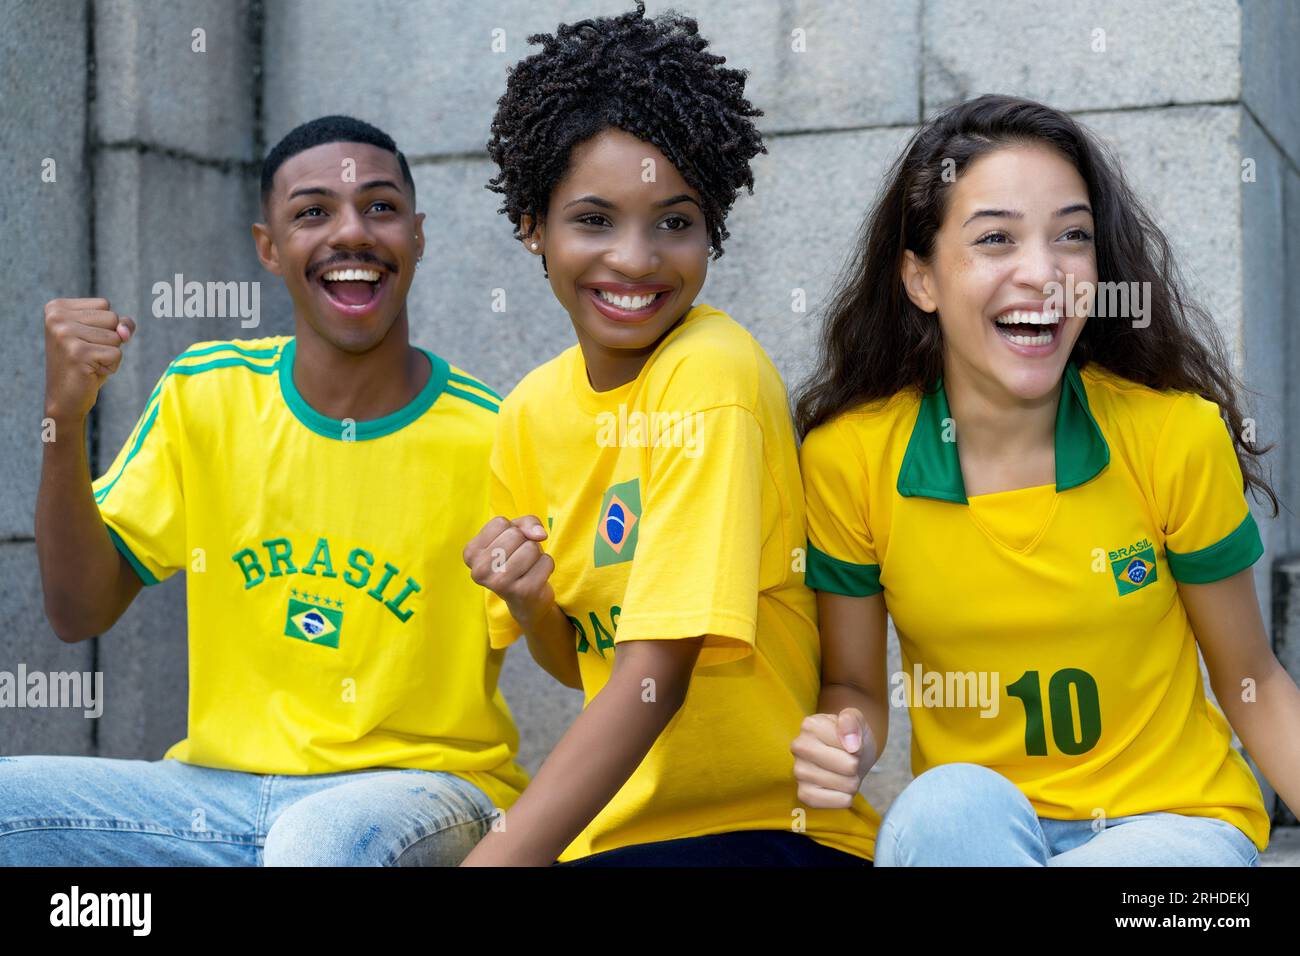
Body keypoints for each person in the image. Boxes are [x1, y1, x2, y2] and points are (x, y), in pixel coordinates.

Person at [790, 93, 1300, 866]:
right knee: (939, 807)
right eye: (996, 238)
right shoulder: (849, 461)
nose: (1043, 272)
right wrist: (842, 741)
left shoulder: (1173, 435)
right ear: (921, 279)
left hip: (1177, 832)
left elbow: (1253, 680)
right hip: (985, 836)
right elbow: (856, 689)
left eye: (1072, 238)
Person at [9, 114, 528, 866]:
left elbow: (565, 642)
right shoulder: (206, 393)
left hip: (420, 790)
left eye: (379, 208)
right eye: (312, 212)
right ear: (270, 248)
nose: (351, 232)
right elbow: (78, 610)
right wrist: (64, 417)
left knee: (316, 843)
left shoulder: (496, 434)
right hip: (215, 793)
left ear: (417, 236)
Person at [459, 2, 877, 866]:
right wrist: (532, 601)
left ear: (712, 229)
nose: (638, 259)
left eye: (674, 222)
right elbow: (579, 663)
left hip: (768, 836)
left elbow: (658, 674)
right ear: (533, 226)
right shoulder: (530, 412)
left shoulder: (710, 374)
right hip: (618, 839)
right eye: (594, 220)